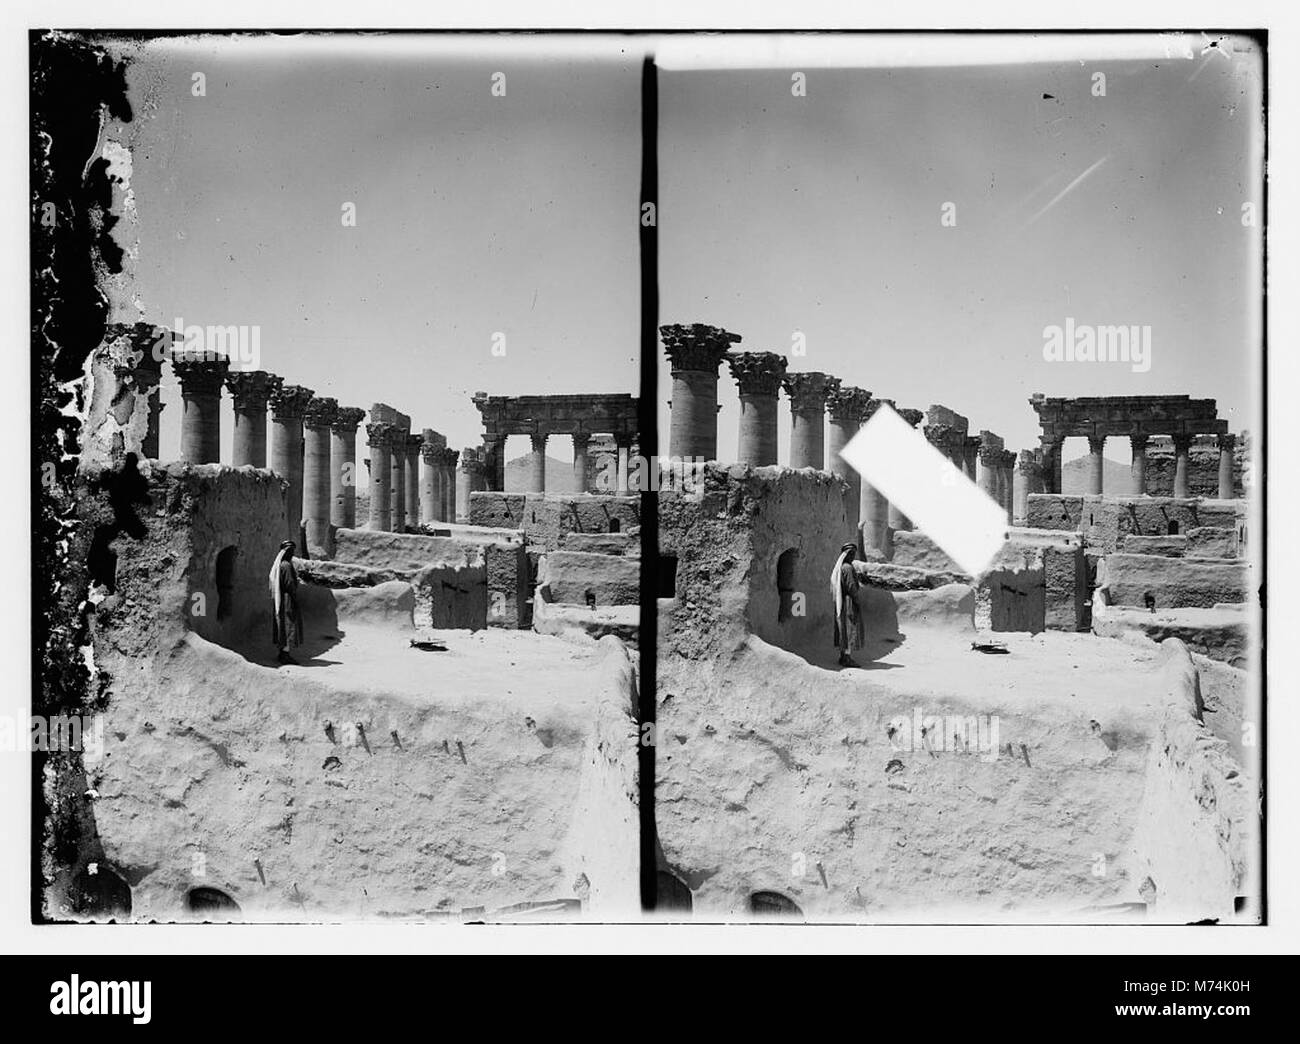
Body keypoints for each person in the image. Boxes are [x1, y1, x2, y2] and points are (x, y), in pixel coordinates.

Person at [830, 541, 864, 668]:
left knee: (843, 628)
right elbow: (851, 587)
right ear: (847, 554)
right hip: (849, 602)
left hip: (842, 601)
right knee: (849, 629)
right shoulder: (848, 568)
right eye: (852, 554)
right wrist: (857, 599)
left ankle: (843, 656)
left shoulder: (842, 567)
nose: (853, 556)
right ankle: (847, 658)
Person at [269, 540, 303, 664]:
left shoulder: (281, 565)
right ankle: (285, 655)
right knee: (287, 625)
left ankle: (282, 652)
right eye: (291, 551)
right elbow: (289, 584)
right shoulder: (286, 566)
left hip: (281, 599)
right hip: (287, 600)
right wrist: (295, 594)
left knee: (282, 625)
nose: (292, 553)